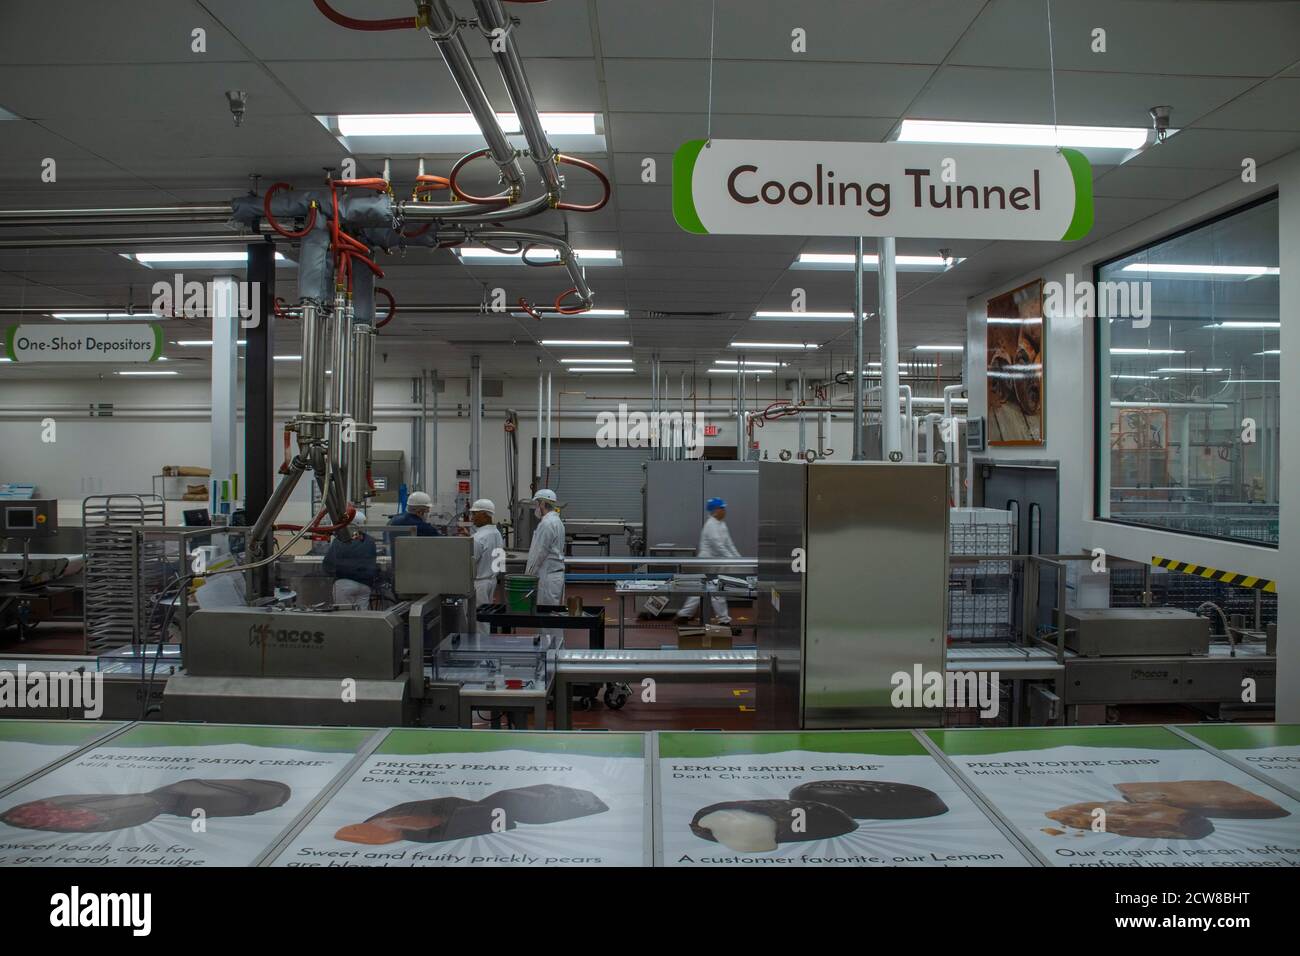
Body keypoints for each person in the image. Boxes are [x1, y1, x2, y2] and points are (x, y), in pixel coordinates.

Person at [676, 497, 739, 625]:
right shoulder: (710, 525)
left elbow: (729, 544)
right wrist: (732, 560)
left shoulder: (722, 524)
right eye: (722, 508)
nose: (724, 511)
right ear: (715, 510)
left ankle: (683, 615)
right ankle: (723, 620)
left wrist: (740, 559)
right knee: (716, 590)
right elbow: (718, 546)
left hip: (715, 562)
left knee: (701, 589)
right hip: (707, 562)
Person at [525, 489, 565, 635]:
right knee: (552, 617)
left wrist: (528, 577)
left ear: (542, 503)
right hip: (552, 575)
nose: (536, 508)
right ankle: (554, 651)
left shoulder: (547, 524)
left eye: (536, 503)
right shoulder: (556, 521)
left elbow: (539, 553)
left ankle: (549, 654)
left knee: (547, 619)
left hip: (547, 577)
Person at [323, 509, 378, 609]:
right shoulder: (370, 540)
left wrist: (330, 573)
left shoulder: (341, 540)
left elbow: (328, 563)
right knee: (361, 618)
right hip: (365, 586)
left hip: (344, 584)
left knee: (345, 617)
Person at [470, 498, 503, 635]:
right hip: (491, 580)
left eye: (475, 513)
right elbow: (499, 561)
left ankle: (479, 651)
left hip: (479, 583)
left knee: (478, 622)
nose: (472, 517)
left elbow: (470, 562)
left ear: (485, 515)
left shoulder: (478, 538)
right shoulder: (497, 534)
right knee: (486, 619)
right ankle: (485, 647)